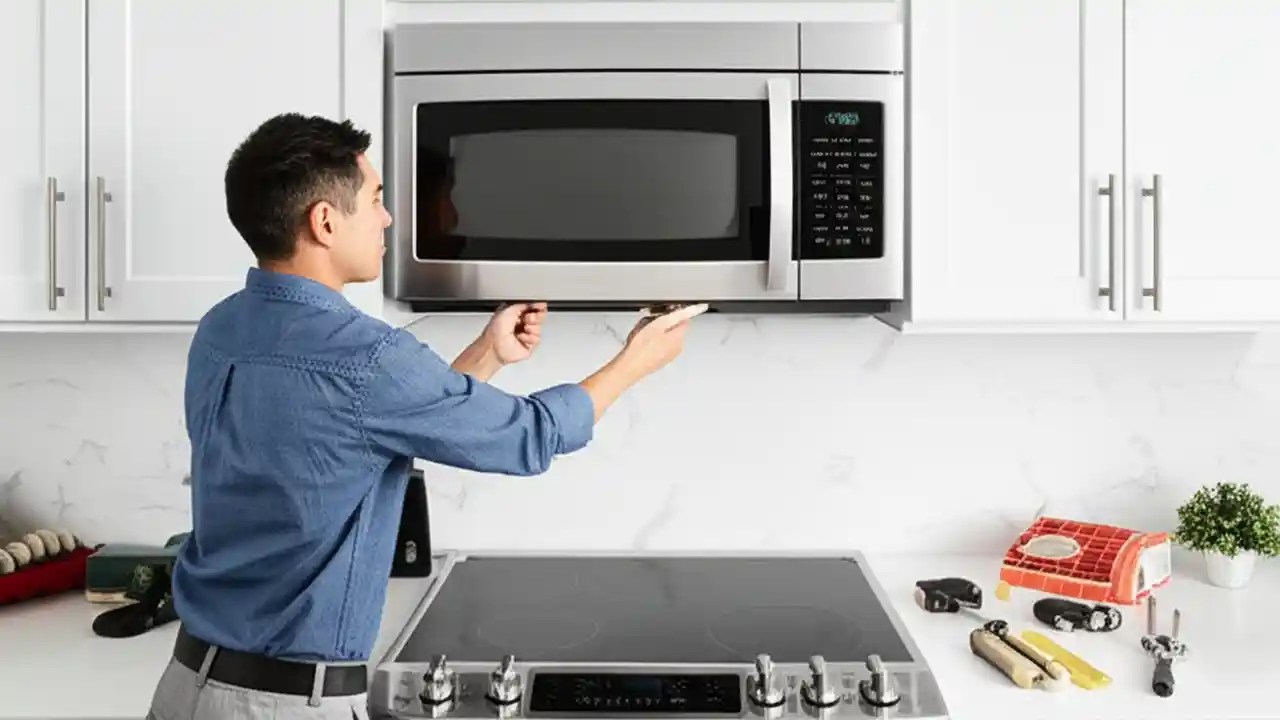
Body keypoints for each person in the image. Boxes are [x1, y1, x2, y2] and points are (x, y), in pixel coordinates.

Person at [146, 113, 704, 720]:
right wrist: (635, 361)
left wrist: (490, 351)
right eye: (376, 200)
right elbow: (528, 437)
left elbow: (372, 421)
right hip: (284, 704)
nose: (387, 218)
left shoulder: (221, 329)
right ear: (325, 222)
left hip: (184, 685)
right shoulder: (365, 356)